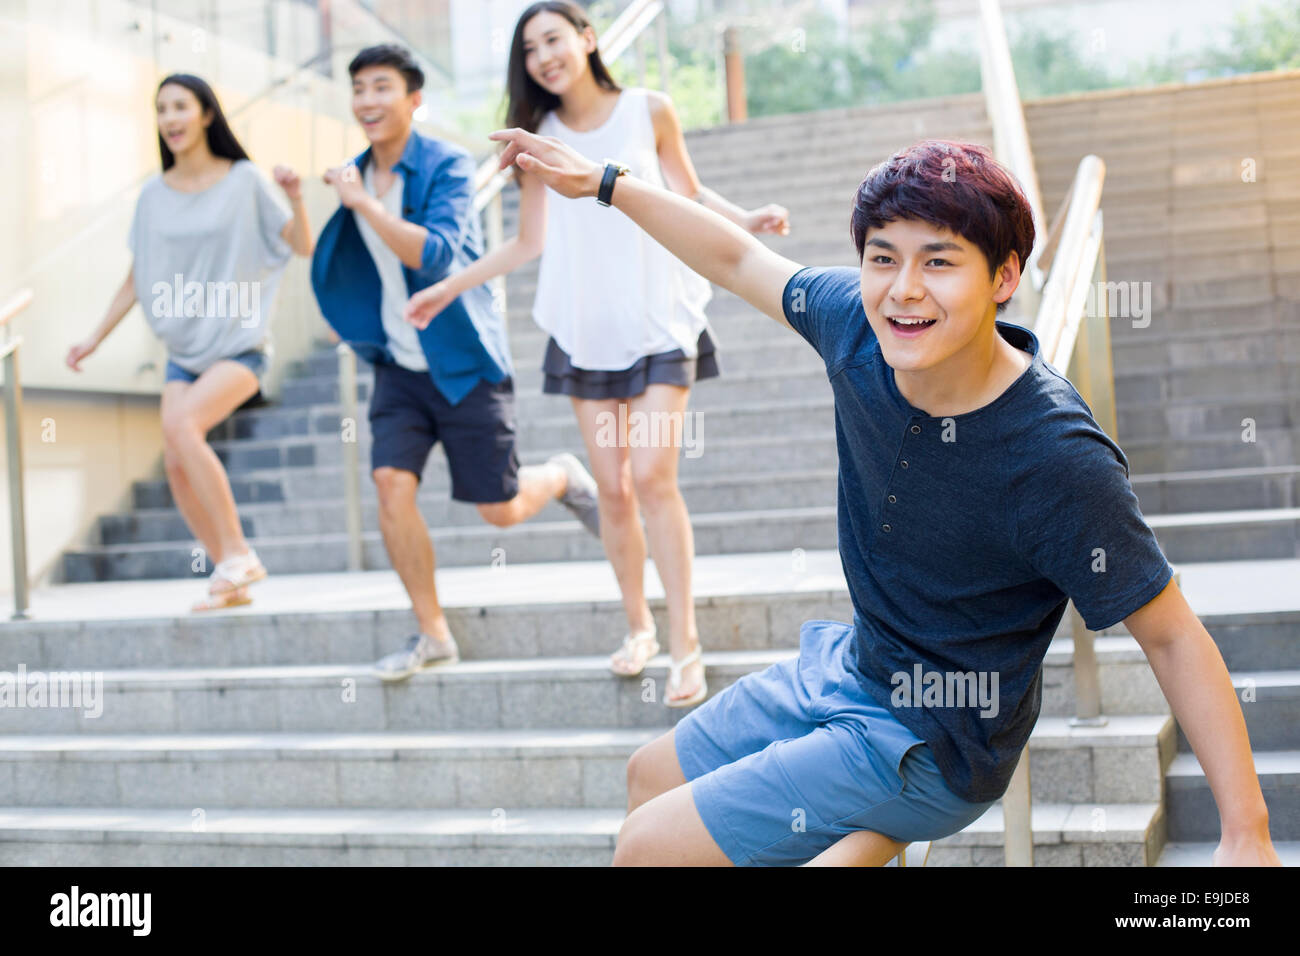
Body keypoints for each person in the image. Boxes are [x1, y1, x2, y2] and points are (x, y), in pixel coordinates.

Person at [486, 128, 1283, 867]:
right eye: (882, 258)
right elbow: (735, 259)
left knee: (645, 847)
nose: (904, 290)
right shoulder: (858, 327)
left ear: (1005, 277)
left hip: (939, 742)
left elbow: (1172, 636)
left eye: (939, 262)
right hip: (851, 667)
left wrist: (1246, 831)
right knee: (647, 777)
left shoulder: (1055, 456)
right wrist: (607, 183)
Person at [405, 1, 789, 706]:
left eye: (553, 39)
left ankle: (685, 643)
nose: (543, 57)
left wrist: (745, 222)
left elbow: (685, 192)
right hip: (586, 330)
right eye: (529, 49)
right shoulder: (539, 139)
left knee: (652, 477)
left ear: (586, 39)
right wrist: (446, 288)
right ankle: (639, 625)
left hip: (660, 318)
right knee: (612, 489)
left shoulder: (650, 109)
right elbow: (529, 241)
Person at [310, 44, 602, 681]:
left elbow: (436, 255)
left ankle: (559, 476)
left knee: (499, 509)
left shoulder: (444, 165)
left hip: (464, 359)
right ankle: (433, 631)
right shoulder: (356, 174)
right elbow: (342, 261)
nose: (366, 101)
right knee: (390, 485)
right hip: (398, 367)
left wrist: (365, 205)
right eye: (358, 88)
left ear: (414, 99)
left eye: (381, 87)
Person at [66, 73, 312, 612]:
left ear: (206, 114)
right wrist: (93, 339)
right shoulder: (154, 195)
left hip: (240, 344)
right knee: (176, 459)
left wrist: (296, 198)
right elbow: (138, 276)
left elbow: (301, 246)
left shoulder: (245, 180)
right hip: (183, 353)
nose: (170, 119)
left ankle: (240, 552)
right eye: (161, 109)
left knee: (183, 426)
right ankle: (231, 574)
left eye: (180, 106)